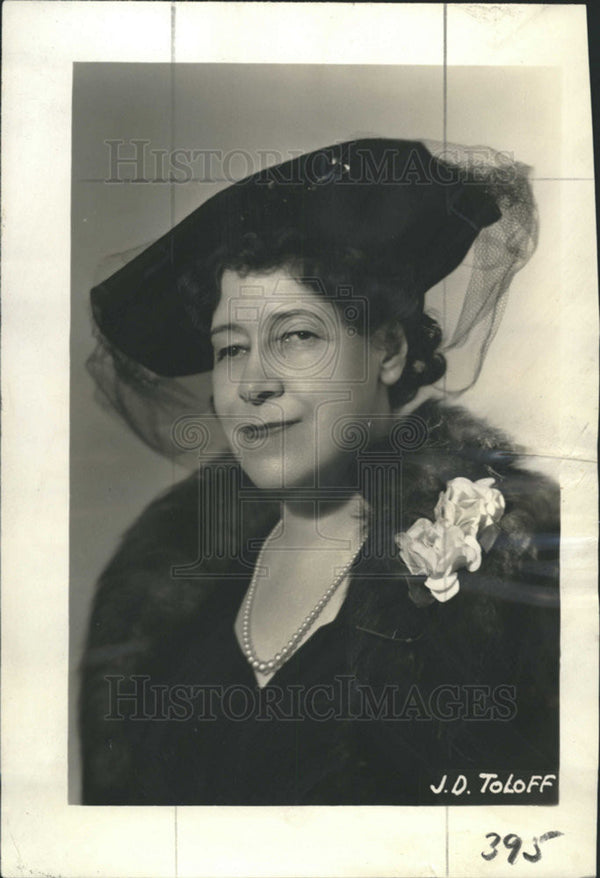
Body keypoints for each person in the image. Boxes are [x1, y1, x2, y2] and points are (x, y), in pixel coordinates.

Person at [79, 138, 559, 805]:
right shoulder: (159, 592)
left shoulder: (515, 563)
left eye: (296, 336)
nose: (252, 385)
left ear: (388, 349)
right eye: (229, 349)